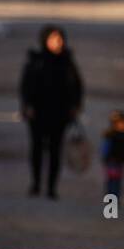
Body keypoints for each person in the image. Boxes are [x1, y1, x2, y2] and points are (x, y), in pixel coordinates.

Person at [19, 25, 83, 198]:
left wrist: (76, 107)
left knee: (55, 151)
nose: (57, 43)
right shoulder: (36, 61)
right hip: (38, 114)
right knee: (37, 149)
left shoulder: (67, 62)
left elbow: (77, 86)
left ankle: (51, 188)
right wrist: (26, 106)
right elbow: (25, 86)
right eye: (53, 39)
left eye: (59, 39)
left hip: (59, 114)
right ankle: (36, 184)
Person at [100, 110, 124, 200]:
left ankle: (113, 199)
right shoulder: (113, 135)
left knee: (115, 181)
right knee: (113, 181)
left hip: (118, 161)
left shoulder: (120, 135)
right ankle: (112, 199)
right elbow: (105, 148)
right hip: (113, 161)